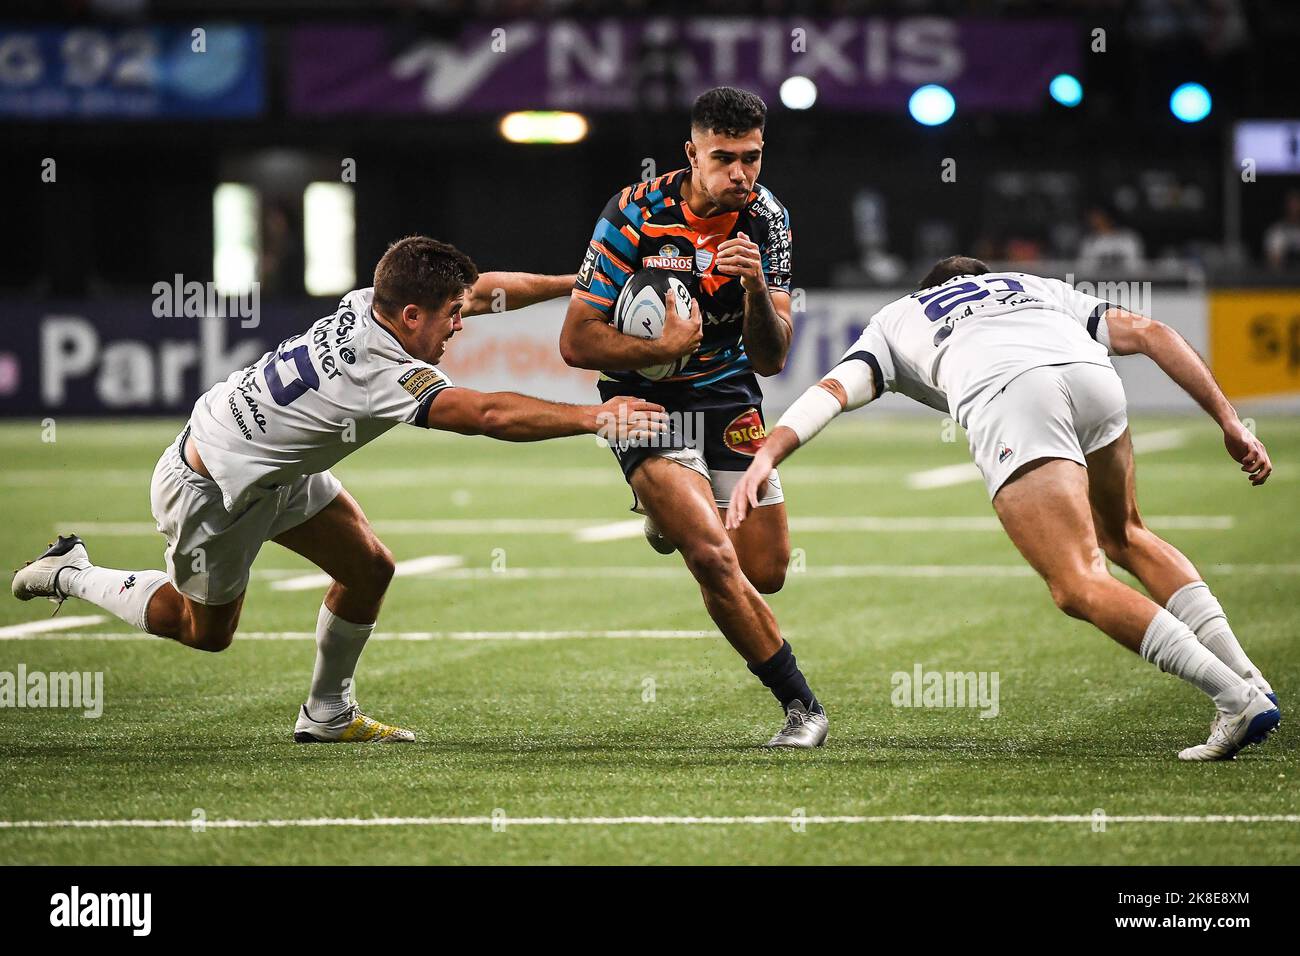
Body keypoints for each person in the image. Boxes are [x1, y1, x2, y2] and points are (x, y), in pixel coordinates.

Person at [12, 236, 665, 743]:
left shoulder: (369, 301)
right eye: (450, 317)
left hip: (271, 465)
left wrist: (580, 286)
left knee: (368, 566)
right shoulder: (381, 369)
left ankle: (327, 713)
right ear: (410, 313)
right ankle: (73, 572)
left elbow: (484, 290)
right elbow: (484, 414)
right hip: (213, 491)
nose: (460, 326)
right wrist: (595, 416)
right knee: (203, 631)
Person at [727, 256, 1279, 761]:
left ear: (932, 288)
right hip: (1093, 380)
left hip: (1014, 393)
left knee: (1078, 583)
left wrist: (768, 452)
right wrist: (1230, 421)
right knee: (1127, 534)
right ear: (982, 277)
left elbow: (831, 391)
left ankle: (1234, 698)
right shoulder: (1034, 286)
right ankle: (1249, 677)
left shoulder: (897, 317)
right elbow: (1153, 333)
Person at [559, 86, 825, 747]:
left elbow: (771, 359)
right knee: (710, 555)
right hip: (642, 404)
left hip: (731, 396)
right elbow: (576, 341)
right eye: (724, 157)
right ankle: (802, 707)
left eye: (753, 158)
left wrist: (756, 287)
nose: (740, 174)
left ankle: (668, 511)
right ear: (692, 153)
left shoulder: (769, 220)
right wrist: (659, 349)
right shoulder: (632, 214)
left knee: (765, 572)